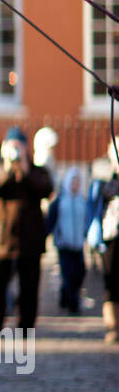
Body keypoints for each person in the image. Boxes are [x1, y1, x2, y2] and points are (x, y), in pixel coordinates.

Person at [0, 127, 53, 332]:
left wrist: (26, 172)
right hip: (0, 241)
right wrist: (8, 169)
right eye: (12, 147)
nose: (16, 152)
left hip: (30, 240)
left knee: (29, 288)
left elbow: (47, 188)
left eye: (19, 147)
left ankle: (26, 327)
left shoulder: (37, 170)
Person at [87, 145, 119, 343]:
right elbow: (97, 196)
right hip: (110, 234)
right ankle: (112, 326)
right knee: (111, 281)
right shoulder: (104, 174)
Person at [45, 167, 88, 315]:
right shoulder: (60, 201)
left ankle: (65, 295)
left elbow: (87, 220)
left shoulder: (82, 201)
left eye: (78, 181)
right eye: (73, 181)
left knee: (80, 272)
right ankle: (73, 304)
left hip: (78, 244)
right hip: (64, 244)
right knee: (69, 273)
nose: (75, 185)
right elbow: (50, 221)